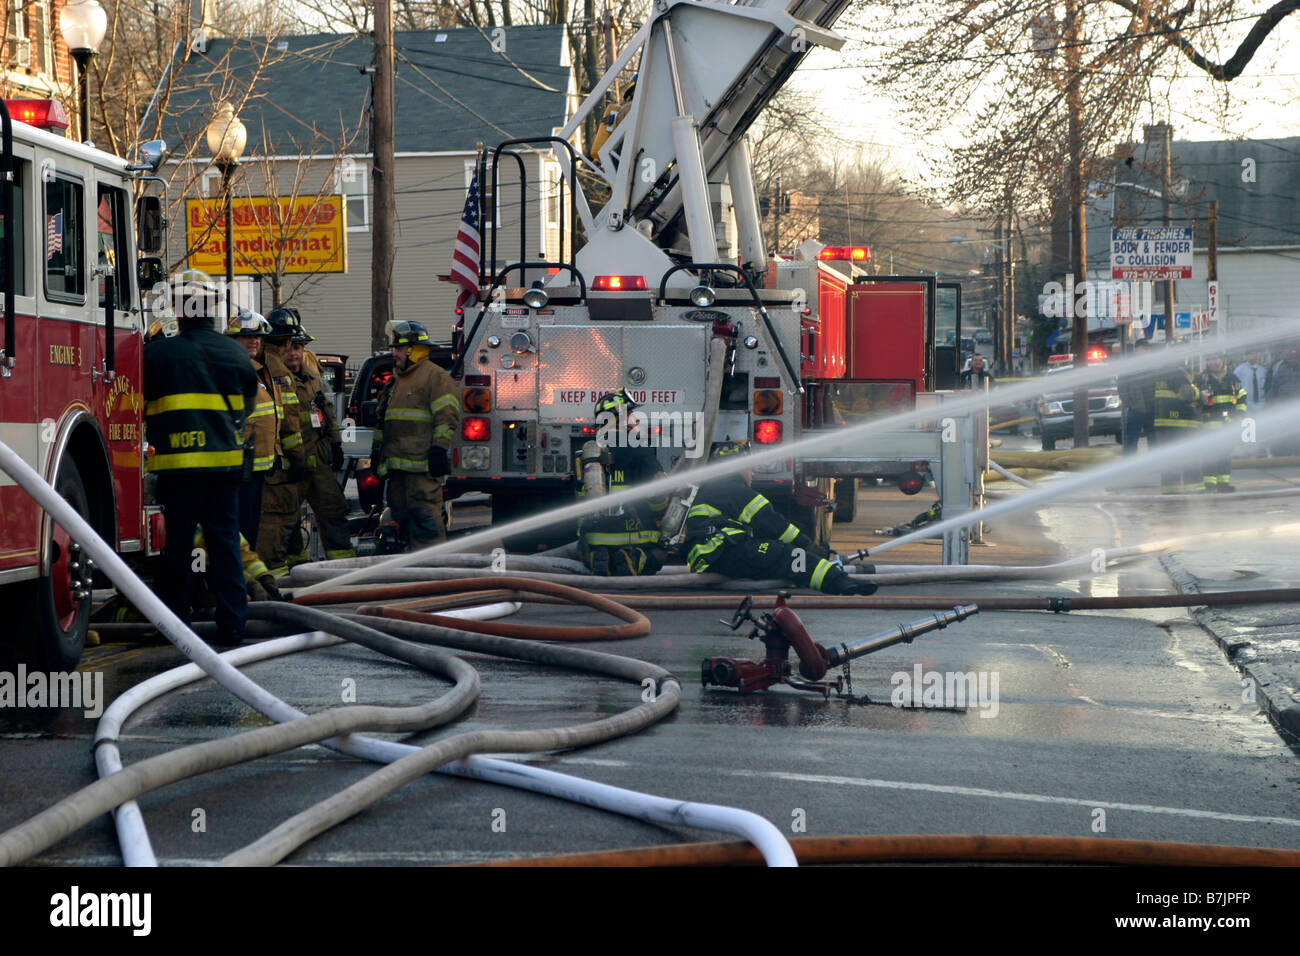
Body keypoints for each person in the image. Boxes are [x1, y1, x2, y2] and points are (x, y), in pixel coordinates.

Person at [144, 271, 259, 644]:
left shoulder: (157, 354)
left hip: (176, 473)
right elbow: (246, 410)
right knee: (224, 543)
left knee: (175, 548)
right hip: (224, 471)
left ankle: (174, 625)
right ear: (211, 306)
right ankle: (233, 624)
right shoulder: (236, 356)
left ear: (178, 305)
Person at [682, 441, 877, 594]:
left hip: (713, 554)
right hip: (723, 552)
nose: (752, 473)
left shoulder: (712, 489)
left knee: (775, 554)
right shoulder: (736, 491)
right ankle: (840, 582)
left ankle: (838, 579)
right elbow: (775, 526)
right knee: (786, 555)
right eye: (749, 467)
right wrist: (809, 547)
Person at [371, 320, 460, 550]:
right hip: (397, 471)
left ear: (414, 349)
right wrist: (377, 454)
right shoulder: (395, 380)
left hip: (421, 470)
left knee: (426, 522)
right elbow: (384, 420)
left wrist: (439, 448)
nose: (395, 353)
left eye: (399, 348)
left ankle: (433, 573)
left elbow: (447, 415)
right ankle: (410, 574)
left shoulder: (435, 377)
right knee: (401, 521)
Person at [577, 389, 669, 575]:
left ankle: (597, 558)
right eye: (630, 413)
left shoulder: (588, 457)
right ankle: (635, 559)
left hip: (592, 538)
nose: (635, 419)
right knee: (659, 553)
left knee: (595, 552)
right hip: (634, 537)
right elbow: (658, 498)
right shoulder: (640, 452)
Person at [283, 326, 356, 560]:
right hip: (289, 463)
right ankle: (294, 568)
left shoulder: (313, 376)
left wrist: (336, 443)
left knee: (333, 511)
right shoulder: (273, 379)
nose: (293, 353)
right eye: (288, 348)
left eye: (298, 347)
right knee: (288, 520)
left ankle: (342, 564)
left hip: (318, 460)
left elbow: (327, 411)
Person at [255, 309, 311, 576]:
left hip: (261, 466)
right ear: (287, 342)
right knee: (278, 529)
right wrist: (299, 460)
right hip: (280, 467)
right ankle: (277, 587)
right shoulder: (280, 372)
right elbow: (290, 425)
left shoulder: (259, 365)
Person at [225, 309, 281, 547]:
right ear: (233, 340)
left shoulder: (259, 371)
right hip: (240, 468)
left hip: (260, 467)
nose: (254, 340)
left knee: (252, 526)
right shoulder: (233, 371)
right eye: (246, 336)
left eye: (258, 336)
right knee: (242, 528)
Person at [1153, 354, 1203, 494]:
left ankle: (1170, 492)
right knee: (1190, 460)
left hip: (1164, 424)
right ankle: (1194, 492)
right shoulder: (1177, 374)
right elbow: (1186, 394)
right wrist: (1200, 395)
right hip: (1180, 424)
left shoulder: (1161, 372)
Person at [1199, 353, 1246, 492]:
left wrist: (1239, 416)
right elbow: (1196, 401)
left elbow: (1242, 397)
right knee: (1209, 456)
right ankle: (1209, 485)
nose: (1213, 362)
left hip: (1227, 426)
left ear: (1223, 360)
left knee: (1225, 456)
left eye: (1216, 359)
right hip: (1208, 427)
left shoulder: (1233, 379)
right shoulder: (1202, 379)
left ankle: (1223, 484)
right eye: (1210, 359)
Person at [1118, 339, 1157, 454]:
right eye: (1140, 350)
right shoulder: (1129, 367)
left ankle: (1155, 462)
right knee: (1131, 439)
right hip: (1135, 409)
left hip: (1153, 408)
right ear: (1136, 351)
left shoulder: (1155, 365)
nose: (1143, 352)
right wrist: (1129, 403)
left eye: (1145, 350)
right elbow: (1122, 386)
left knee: (1154, 439)